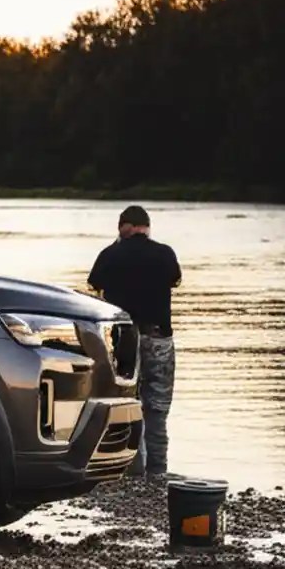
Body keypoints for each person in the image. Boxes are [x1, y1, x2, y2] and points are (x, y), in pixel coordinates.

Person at [88, 205, 182, 478]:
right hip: (158, 338)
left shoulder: (110, 254)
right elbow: (175, 280)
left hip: (124, 340)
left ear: (123, 227)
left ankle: (133, 470)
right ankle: (158, 471)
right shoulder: (165, 253)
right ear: (147, 226)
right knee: (158, 408)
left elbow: (95, 284)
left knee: (129, 404)